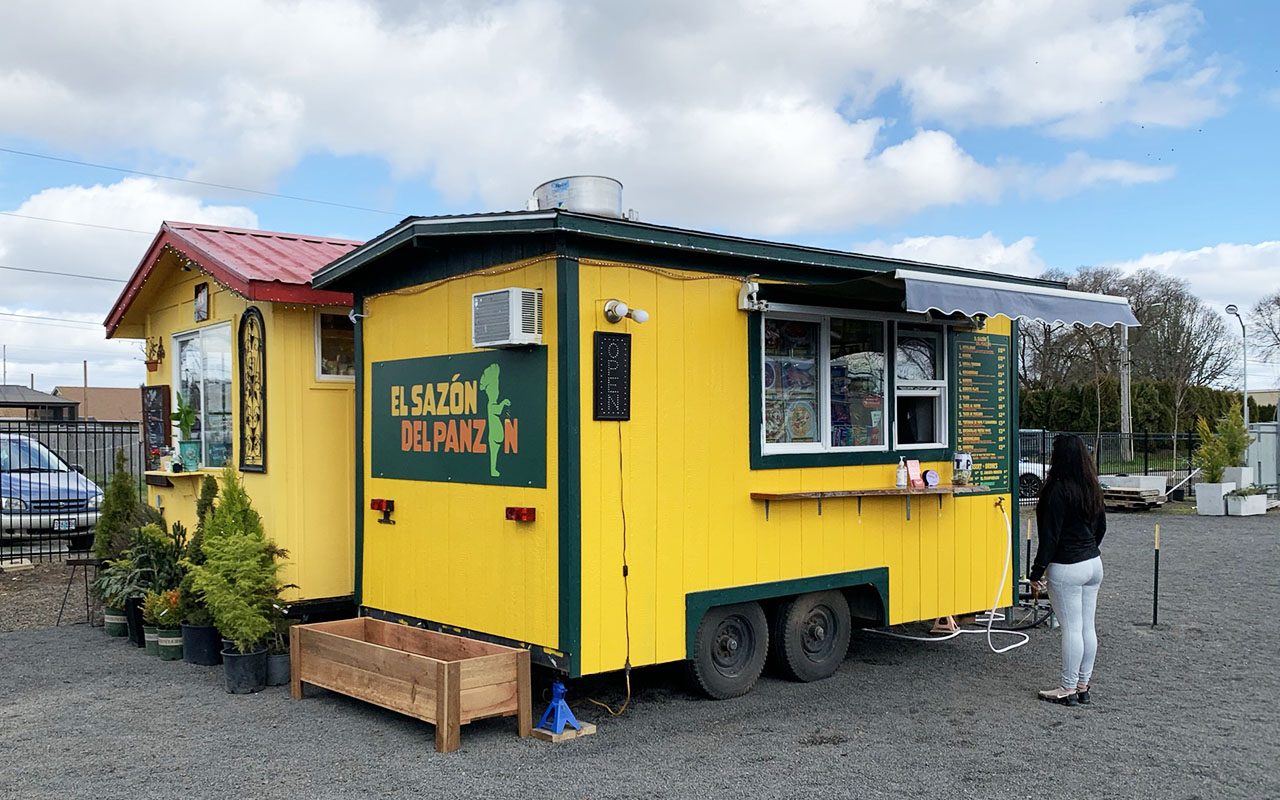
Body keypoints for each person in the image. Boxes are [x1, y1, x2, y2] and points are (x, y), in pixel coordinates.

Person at [1029, 434, 1106, 706]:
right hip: (1093, 563)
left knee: (1071, 628)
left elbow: (1049, 538)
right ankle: (1083, 684)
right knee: (1087, 627)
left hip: (1067, 566)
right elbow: (1101, 528)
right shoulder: (1092, 487)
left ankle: (1067, 687)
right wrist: (1087, 548)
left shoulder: (1055, 490)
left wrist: (1036, 572)